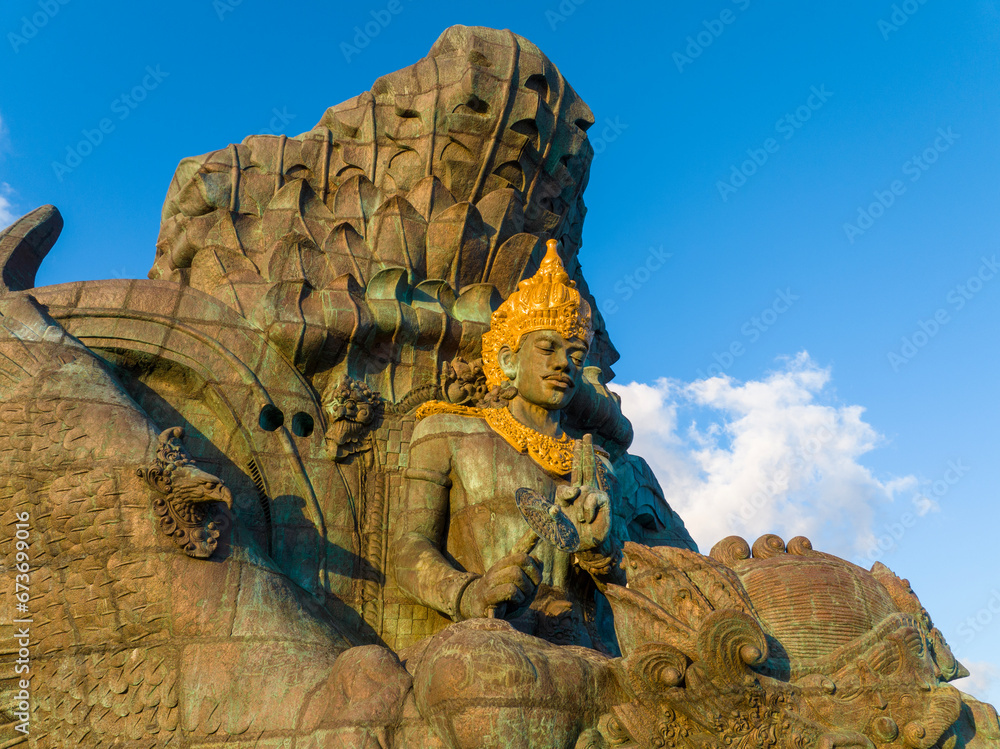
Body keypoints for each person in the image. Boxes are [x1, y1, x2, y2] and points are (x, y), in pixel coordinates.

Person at [391, 240, 621, 650]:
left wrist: (600, 555)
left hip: (585, 649)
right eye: (547, 347)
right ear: (509, 360)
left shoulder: (597, 463)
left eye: (575, 353)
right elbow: (409, 549)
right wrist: (468, 593)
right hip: (488, 644)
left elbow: (639, 576)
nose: (562, 363)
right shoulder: (447, 432)